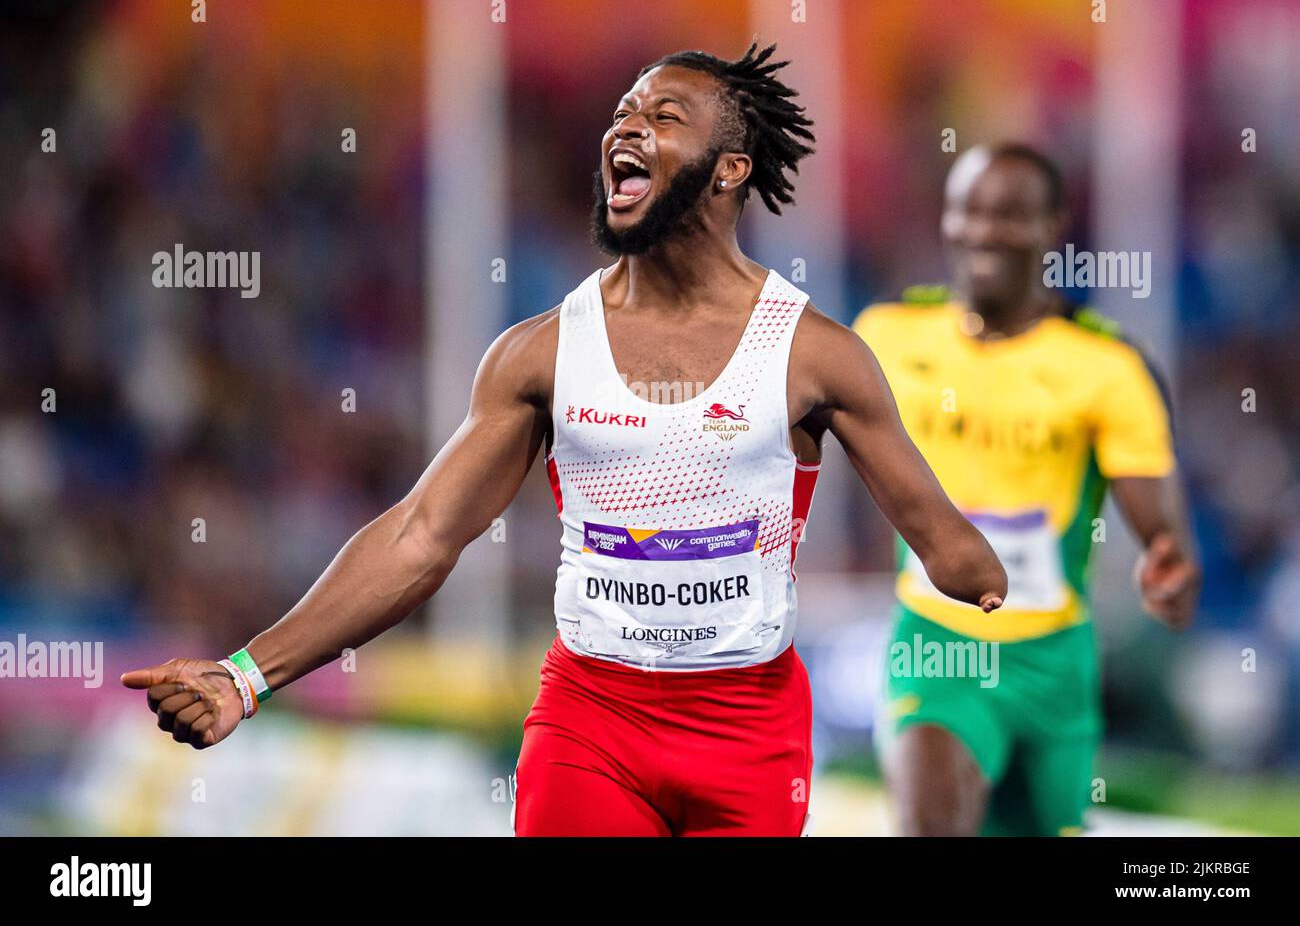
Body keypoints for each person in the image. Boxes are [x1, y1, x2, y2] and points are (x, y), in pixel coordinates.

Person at [123, 44, 1005, 837]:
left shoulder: (815, 356)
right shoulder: (541, 353)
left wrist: (983, 571)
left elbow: (940, 539)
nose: (628, 127)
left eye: (664, 116)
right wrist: (244, 677)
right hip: (593, 719)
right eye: (623, 112)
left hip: (750, 733)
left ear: (731, 167)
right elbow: (422, 535)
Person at [854, 143, 1200, 836]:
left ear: (1053, 225)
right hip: (935, 644)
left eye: (1009, 215)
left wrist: (1169, 571)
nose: (983, 231)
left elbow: (1168, 543)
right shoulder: (884, 337)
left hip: (1052, 662)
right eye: (968, 211)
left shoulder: (1105, 365)